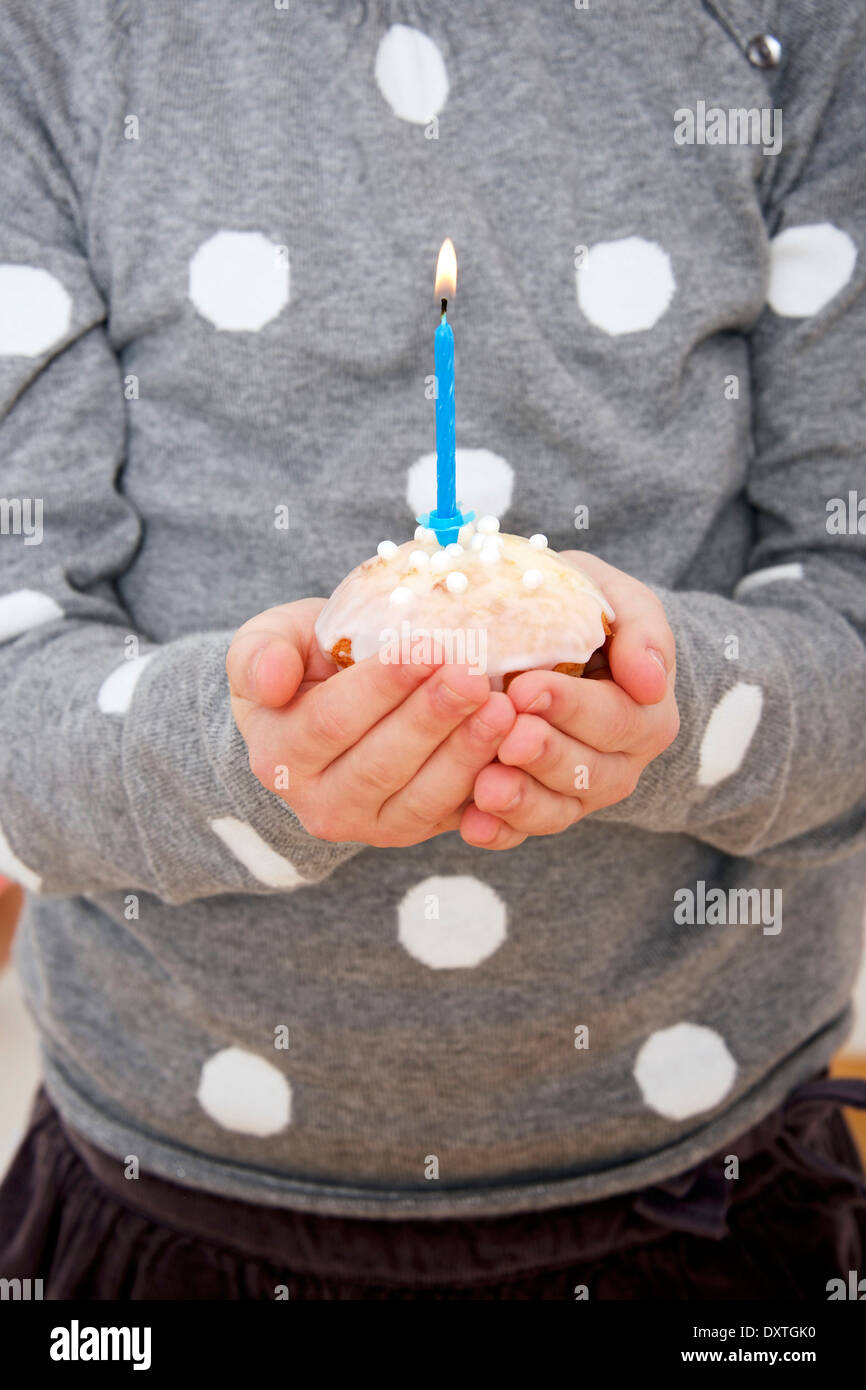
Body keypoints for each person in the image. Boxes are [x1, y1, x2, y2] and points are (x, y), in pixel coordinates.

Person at [0, 0, 864, 1300]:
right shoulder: (54, 42)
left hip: (716, 1192)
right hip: (168, 1193)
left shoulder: (794, 32)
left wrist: (668, 704)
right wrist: (243, 760)